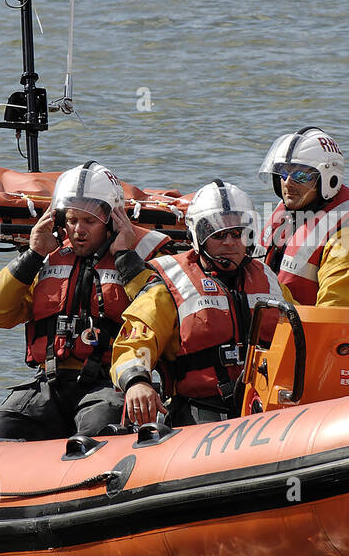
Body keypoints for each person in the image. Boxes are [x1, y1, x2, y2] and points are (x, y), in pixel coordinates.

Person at [0, 162, 170, 439]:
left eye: (89, 221)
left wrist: (125, 258)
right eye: (72, 219)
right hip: (48, 384)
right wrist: (32, 255)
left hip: (108, 384)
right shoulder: (47, 257)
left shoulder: (144, 258)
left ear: (112, 220)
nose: (79, 229)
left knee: (99, 434)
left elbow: (160, 310)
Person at [111, 181, 283, 426]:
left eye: (237, 233)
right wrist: (137, 382)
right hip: (200, 411)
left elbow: (303, 328)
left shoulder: (267, 278)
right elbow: (133, 343)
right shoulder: (170, 285)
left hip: (265, 405)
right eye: (219, 234)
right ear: (197, 237)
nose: (230, 242)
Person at [257, 127, 349, 307]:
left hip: (310, 332)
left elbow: (331, 320)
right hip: (271, 325)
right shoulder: (289, 215)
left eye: (300, 175)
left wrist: (269, 289)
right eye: (283, 172)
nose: (287, 182)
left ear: (328, 179)